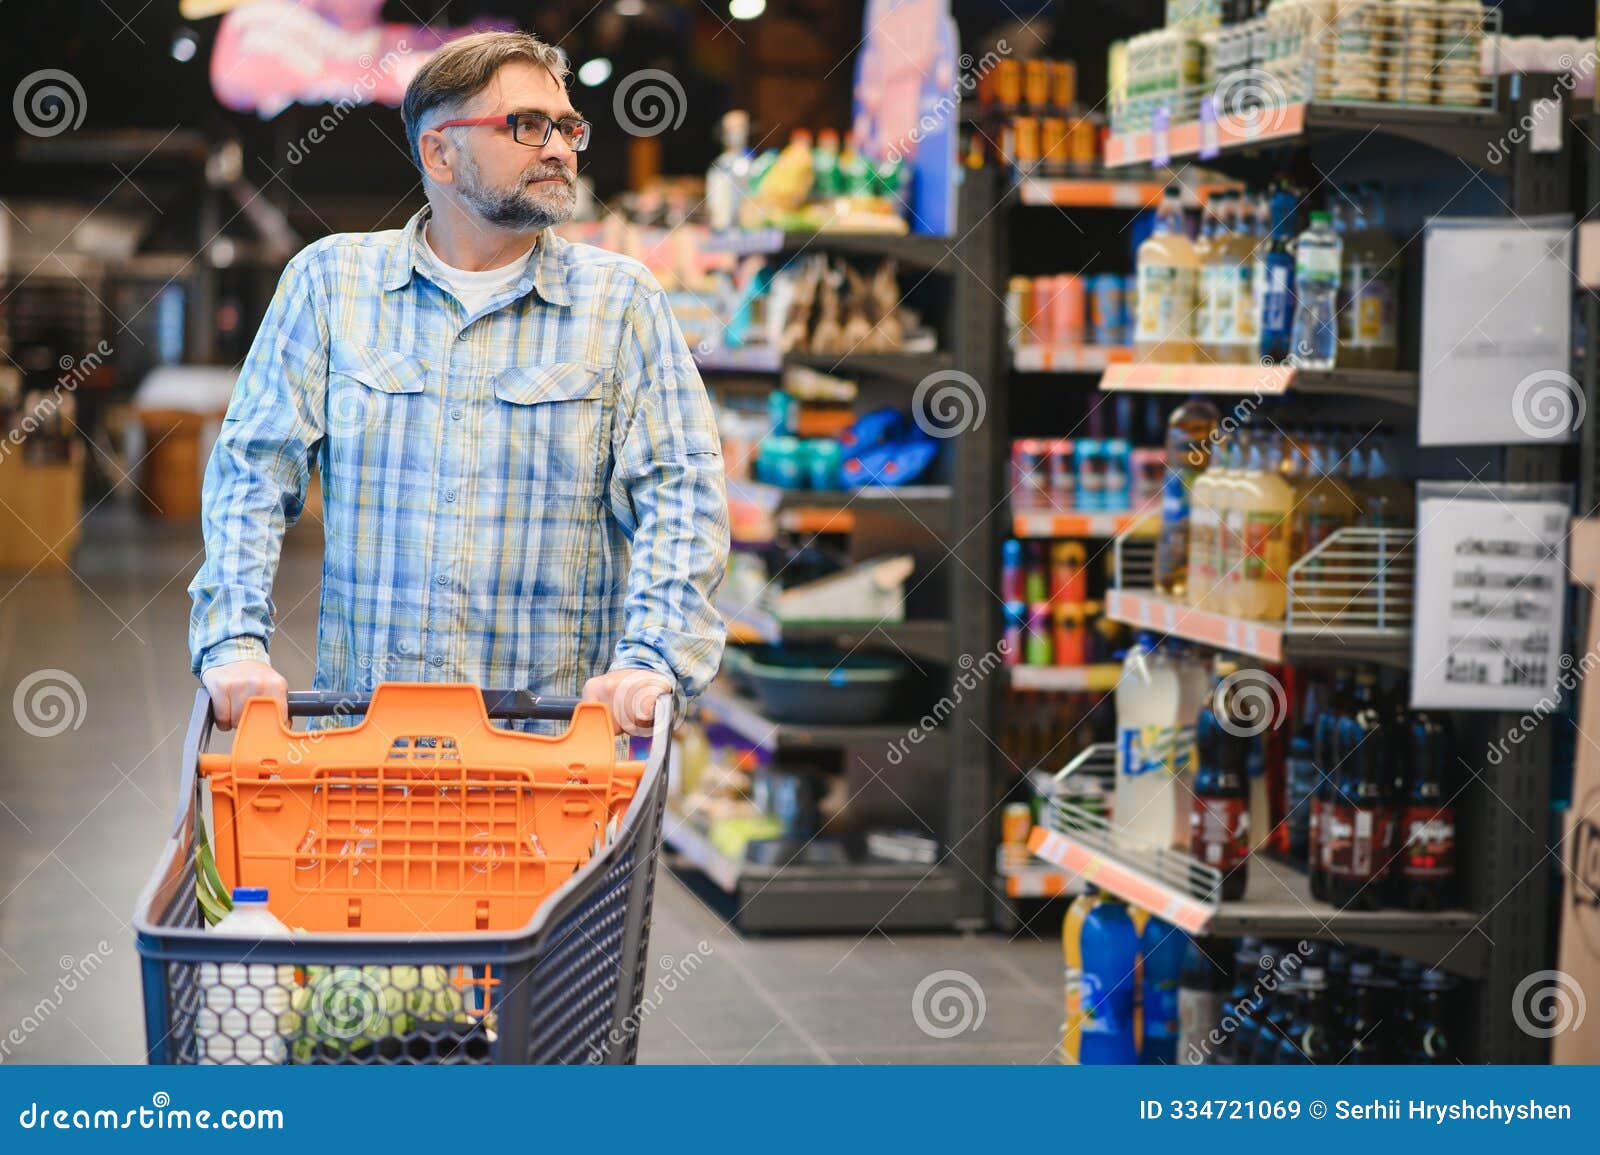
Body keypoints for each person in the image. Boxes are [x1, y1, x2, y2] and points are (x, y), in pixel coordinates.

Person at [188, 30, 729, 737]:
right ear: (440, 152)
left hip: (551, 765)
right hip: (366, 759)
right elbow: (252, 474)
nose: (560, 148)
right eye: (527, 126)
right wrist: (233, 641)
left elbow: (682, 492)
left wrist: (652, 657)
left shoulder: (619, 302)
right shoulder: (332, 285)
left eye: (568, 127)